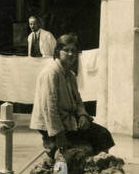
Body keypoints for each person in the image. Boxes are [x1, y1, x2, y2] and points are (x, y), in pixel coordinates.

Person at [30, 33, 116, 162]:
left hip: (69, 120)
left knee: (103, 135)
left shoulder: (70, 75)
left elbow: (78, 100)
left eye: (74, 51)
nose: (71, 54)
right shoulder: (51, 73)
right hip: (50, 126)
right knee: (67, 155)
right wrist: (59, 134)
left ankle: (96, 170)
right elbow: (49, 107)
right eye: (66, 50)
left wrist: (82, 115)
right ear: (58, 51)